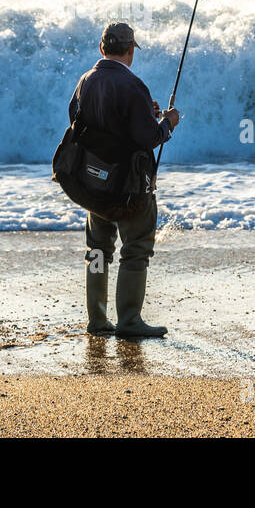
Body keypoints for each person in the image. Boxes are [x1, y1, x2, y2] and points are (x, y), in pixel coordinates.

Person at [68, 21, 180, 338]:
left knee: (98, 251)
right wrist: (167, 121)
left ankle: (98, 319)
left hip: (93, 183)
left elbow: (80, 123)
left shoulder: (85, 81)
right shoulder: (133, 87)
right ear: (130, 50)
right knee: (136, 248)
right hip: (128, 187)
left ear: (102, 48)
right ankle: (130, 321)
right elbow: (148, 137)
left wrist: (146, 113)